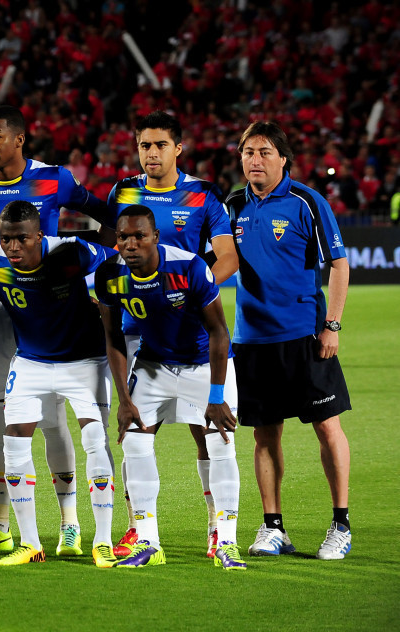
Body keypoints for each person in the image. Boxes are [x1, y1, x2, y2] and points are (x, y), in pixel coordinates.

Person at [0, 104, 113, 557]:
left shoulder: (55, 179)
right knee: (4, 416)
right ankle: (1, 521)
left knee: (54, 417)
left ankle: (69, 522)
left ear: (20, 139)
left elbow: (104, 215)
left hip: (50, 305)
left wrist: (86, 273)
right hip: (0, 306)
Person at [106, 110, 239, 558]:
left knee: (206, 433)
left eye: (160, 145)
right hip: (137, 332)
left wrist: (186, 294)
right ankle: (137, 530)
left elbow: (226, 257)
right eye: (145, 145)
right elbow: (115, 248)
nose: (152, 153)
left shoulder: (202, 195)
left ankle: (216, 529)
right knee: (136, 433)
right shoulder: (122, 192)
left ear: (178, 148)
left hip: (190, 323)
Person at [224, 121, 352, 560]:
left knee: (327, 427)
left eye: (263, 152)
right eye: (247, 152)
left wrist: (331, 325)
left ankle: (341, 524)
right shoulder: (233, 204)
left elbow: (338, 264)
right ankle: (273, 527)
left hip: (304, 336)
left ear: (282, 158)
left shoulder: (307, 202)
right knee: (264, 436)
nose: (254, 160)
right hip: (252, 339)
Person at [96, 205, 245, 570]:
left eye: (139, 237)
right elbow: (113, 339)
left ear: (155, 238)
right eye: (123, 237)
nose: (131, 245)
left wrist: (215, 396)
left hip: (203, 366)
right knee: (134, 439)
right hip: (152, 364)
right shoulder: (109, 275)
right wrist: (124, 400)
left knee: (221, 443)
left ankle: (227, 542)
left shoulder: (189, 267)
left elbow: (219, 333)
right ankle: (148, 542)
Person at [0, 201, 115, 566]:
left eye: (22, 239)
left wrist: (105, 302)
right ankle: (30, 543)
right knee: (15, 441)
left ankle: (102, 540)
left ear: (39, 235)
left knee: (95, 440)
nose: (13, 247)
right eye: (7, 239)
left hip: (84, 361)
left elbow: (114, 259)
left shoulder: (73, 253)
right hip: (32, 360)